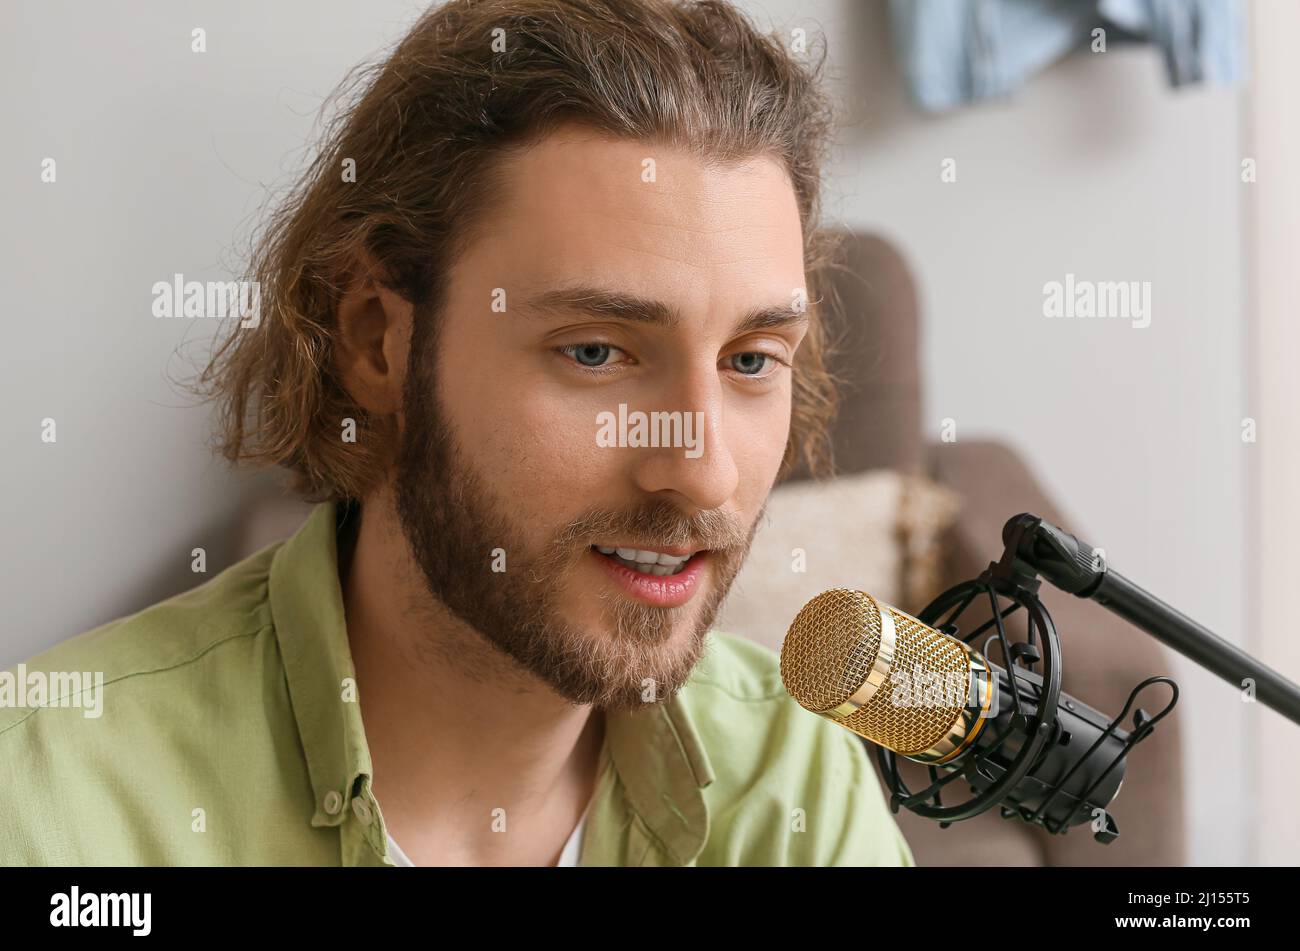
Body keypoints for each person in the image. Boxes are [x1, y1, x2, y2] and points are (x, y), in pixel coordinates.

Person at [0, 0, 914, 867]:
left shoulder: (796, 784)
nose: (704, 474)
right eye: (595, 351)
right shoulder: (54, 803)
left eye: (752, 360)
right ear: (377, 340)